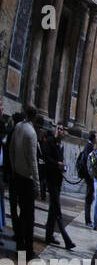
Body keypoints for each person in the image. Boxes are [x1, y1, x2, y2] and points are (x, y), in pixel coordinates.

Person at [8, 106, 38, 255]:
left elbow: (11, 149)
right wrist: (37, 184)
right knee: (29, 215)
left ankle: (20, 244)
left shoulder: (18, 126)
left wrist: (13, 168)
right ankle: (29, 250)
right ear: (34, 117)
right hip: (27, 179)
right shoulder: (31, 133)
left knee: (22, 213)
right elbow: (33, 161)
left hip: (17, 175)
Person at [41, 123, 73, 249]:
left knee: (53, 210)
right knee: (56, 208)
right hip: (51, 179)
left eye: (62, 129)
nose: (60, 131)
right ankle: (66, 238)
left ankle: (49, 236)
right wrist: (56, 164)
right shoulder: (50, 142)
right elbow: (46, 157)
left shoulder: (61, 145)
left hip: (58, 179)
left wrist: (62, 167)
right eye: (58, 128)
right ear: (55, 130)